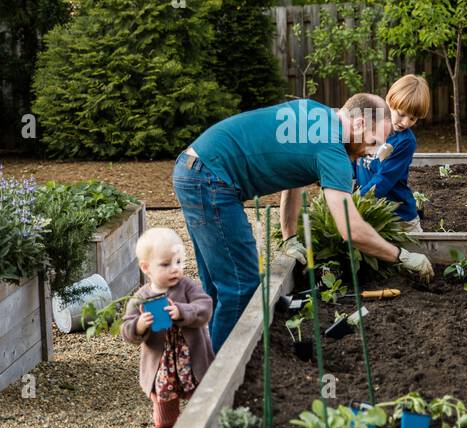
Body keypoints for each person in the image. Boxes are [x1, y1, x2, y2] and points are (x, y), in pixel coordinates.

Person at [175, 93, 435, 351]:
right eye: (372, 142)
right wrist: (400, 255)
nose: (370, 152)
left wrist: (289, 236)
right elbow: (351, 229)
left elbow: (294, 177)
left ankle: (203, 365)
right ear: (359, 124)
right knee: (241, 286)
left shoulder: (315, 113)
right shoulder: (333, 150)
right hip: (211, 179)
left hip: (194, 167)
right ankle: (217, 378)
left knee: (219, 285)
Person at [120, 227, 215, 428]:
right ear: (146, 268)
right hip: (162, 363)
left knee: (199, 397)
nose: (175, 268)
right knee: (164, 402)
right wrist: (140, 325)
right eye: (165, 264)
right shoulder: (141, 297)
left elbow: (205, 307)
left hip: (190, 358)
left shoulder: (187, 287)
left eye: (179, 261)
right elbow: (126, 330)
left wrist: (182, 311)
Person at [356, 75, 431, 232]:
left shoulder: (405, 142)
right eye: (401, 114)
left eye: (413, 118)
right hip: (371, 209)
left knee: (416, 253)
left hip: (399, 217)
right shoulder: (370, 124)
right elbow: (353, 156)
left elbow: (383, 179)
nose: (405, 122)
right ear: (389, 101)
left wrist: (356, 202)